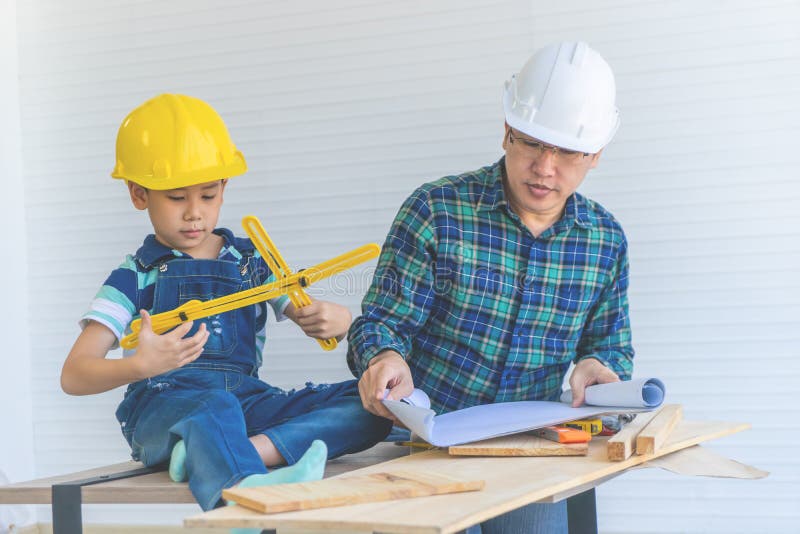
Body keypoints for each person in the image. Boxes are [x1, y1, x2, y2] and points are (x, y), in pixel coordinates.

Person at [347, 41, 633, 533]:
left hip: (530, 448)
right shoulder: (436, 210)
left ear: (596, 155)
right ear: (506, 132)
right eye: (532, 142)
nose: (545, 166)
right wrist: (384, 358)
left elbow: (611, 349)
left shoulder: (605, 241)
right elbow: (381, 323)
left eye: (567, 150)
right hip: (428, 445)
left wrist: (600, 369)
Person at [61, 93, 392, 513]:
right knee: (212, 406)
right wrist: (139, 366)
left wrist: (339, 321)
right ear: (138, 194)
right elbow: (74, 375)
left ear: (225, 187)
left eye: (209, 195)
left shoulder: (251, 262)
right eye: (177, 198)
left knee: (370, 402)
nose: (195, 213)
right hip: (162, 409)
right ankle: (240, 501)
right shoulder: (134, 276)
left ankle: (234, 453)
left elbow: (305, 312)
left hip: (245, 403)